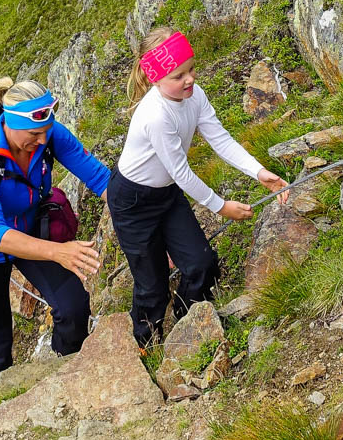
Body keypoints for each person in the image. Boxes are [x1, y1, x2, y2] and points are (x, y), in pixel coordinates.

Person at [107, 27, 287, 348]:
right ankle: (145, 344)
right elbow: (180, 171)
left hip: (167, 195)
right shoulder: (155, 116)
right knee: (153, 285)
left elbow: (220, 140)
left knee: (202, 264)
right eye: (179, 76)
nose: (189, 79)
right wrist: (221, 206)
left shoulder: (194, 96)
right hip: (133, 201)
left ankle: (187, 326)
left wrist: (259, 172)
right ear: (156, 79)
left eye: (191, 69)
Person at [0, 77, 110, 394]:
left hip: (29, 233)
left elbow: (99, 178)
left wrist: (144, 221)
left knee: (73, 306)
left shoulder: (48, 133)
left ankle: (62, 378)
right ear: (10, 124)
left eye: (45, 132)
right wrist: (59, 252)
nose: (42, 141)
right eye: (33, 134)